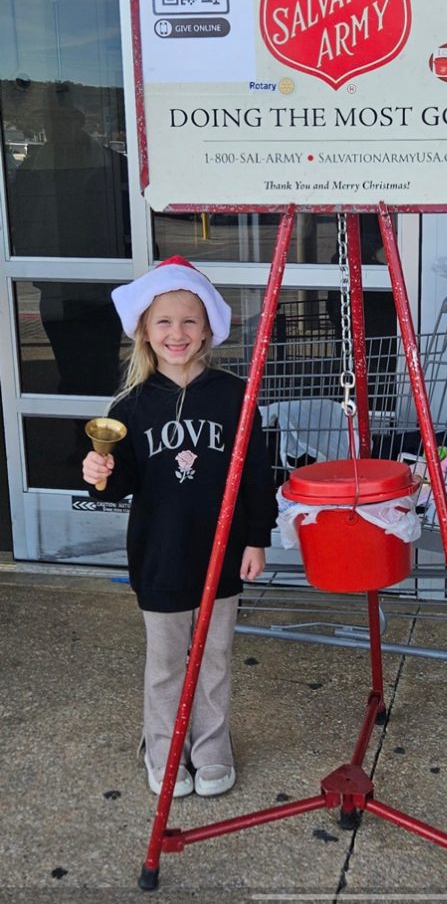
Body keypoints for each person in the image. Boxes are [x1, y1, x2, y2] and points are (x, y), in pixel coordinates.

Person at [82, 255, 277, 798]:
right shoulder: (130, 406)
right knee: (167, 662)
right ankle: (164, 745)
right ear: (145, 329)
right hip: (160, 552)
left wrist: (257, 537)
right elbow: (122, 484)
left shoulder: (237, 397)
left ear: (208, 328)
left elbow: (258, 475)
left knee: (214, 658)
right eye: (164, 321)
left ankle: (212, 745)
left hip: (222, 551)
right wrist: (99, 473)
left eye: (189, 320)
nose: (177, 333)